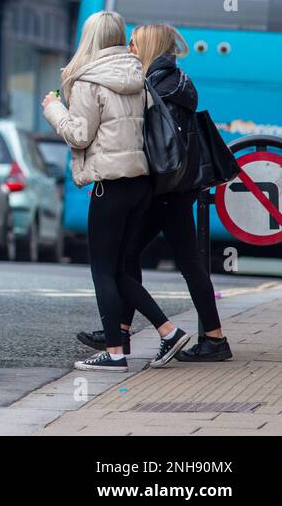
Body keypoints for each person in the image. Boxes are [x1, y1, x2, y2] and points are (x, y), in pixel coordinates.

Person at [42, 10, 191, 371]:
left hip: (110, 185)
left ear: (89, 38)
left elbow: (79, 134)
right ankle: (168, 331)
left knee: (103, 271)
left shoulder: (88, 81)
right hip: (140, 183)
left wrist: (53, 110)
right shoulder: (137, 75)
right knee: (122, 268)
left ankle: (114, 353)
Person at [74, 24, 231, 363]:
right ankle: (124, 331)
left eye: (134, 43)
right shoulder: (176, 81)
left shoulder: (157, 85)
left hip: (165, 188)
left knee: (148, 259)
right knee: (139, 257)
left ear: (148, 46)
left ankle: (196, 337)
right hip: (175, 186)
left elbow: (156, 141)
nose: (129, 48)